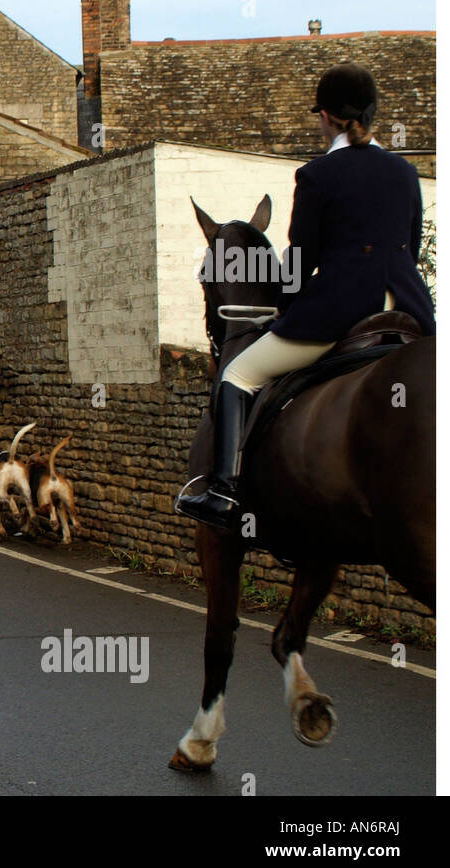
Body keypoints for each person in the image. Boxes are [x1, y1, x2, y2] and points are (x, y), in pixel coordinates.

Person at [177, 63, 436, 530]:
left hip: (339, 311)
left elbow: (300, 261)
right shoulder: (404, 172)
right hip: (407, 313)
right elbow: (412, 248)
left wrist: (286, 311)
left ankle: (222, 494)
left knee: (237, 374)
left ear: (326, 117)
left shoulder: (317, 175)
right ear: (371, 114)